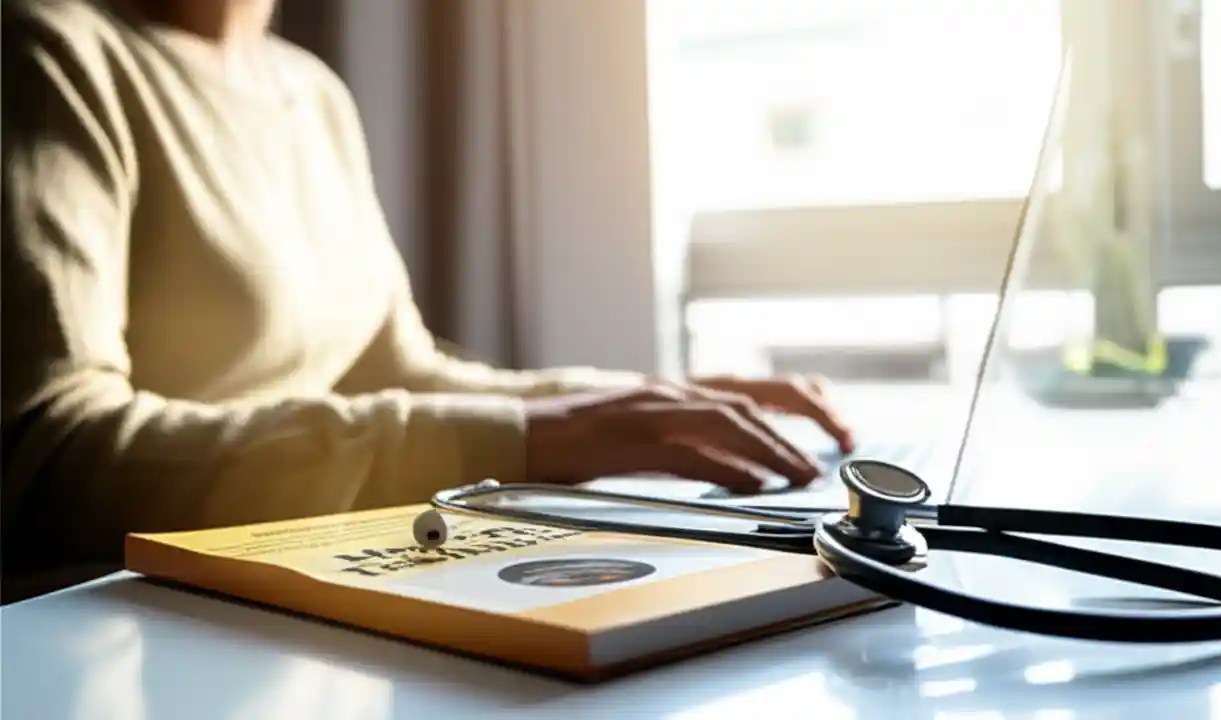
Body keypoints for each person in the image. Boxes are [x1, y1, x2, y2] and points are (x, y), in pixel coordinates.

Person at [1, 0, 855, 599]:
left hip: (293, 593)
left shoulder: (312, 91)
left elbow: (394, 368)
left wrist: (645, 407)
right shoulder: (50, 51)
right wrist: (531, 437)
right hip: (116, 622)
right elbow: (51, 456)